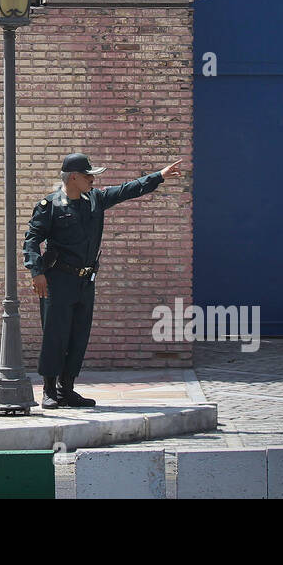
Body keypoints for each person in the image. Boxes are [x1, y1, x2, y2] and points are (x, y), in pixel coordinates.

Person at [24, 153, 185, 409]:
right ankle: (49, 391)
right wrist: (37, 272)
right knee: (56, 335)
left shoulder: (95, 200)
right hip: (58, 281)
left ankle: (67, 389)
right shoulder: (50, 206)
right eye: (88, 175)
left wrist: (160, 176)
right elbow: (31, 239)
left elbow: (127, 190)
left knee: (79, 336)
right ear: (73, 178)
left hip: (85, 281)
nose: (92, 179)